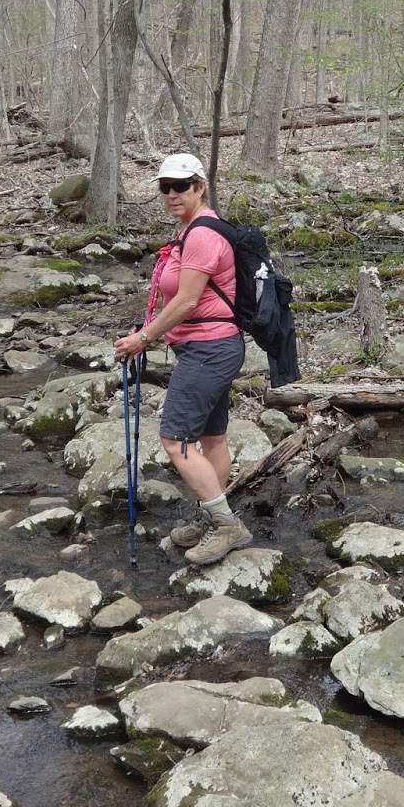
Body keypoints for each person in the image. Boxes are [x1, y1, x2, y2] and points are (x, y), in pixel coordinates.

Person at [113, 153, 252, 566]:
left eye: (181, 186)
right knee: (212, 440)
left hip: (209, 350)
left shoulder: (204, 235)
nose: (172, 194)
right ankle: (211, 517)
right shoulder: (190, 230)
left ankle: (227, 525)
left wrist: (143, 337)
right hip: (212, 346)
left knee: (176, 441)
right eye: (165, 187)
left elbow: (189, 300)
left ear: (199, 186)